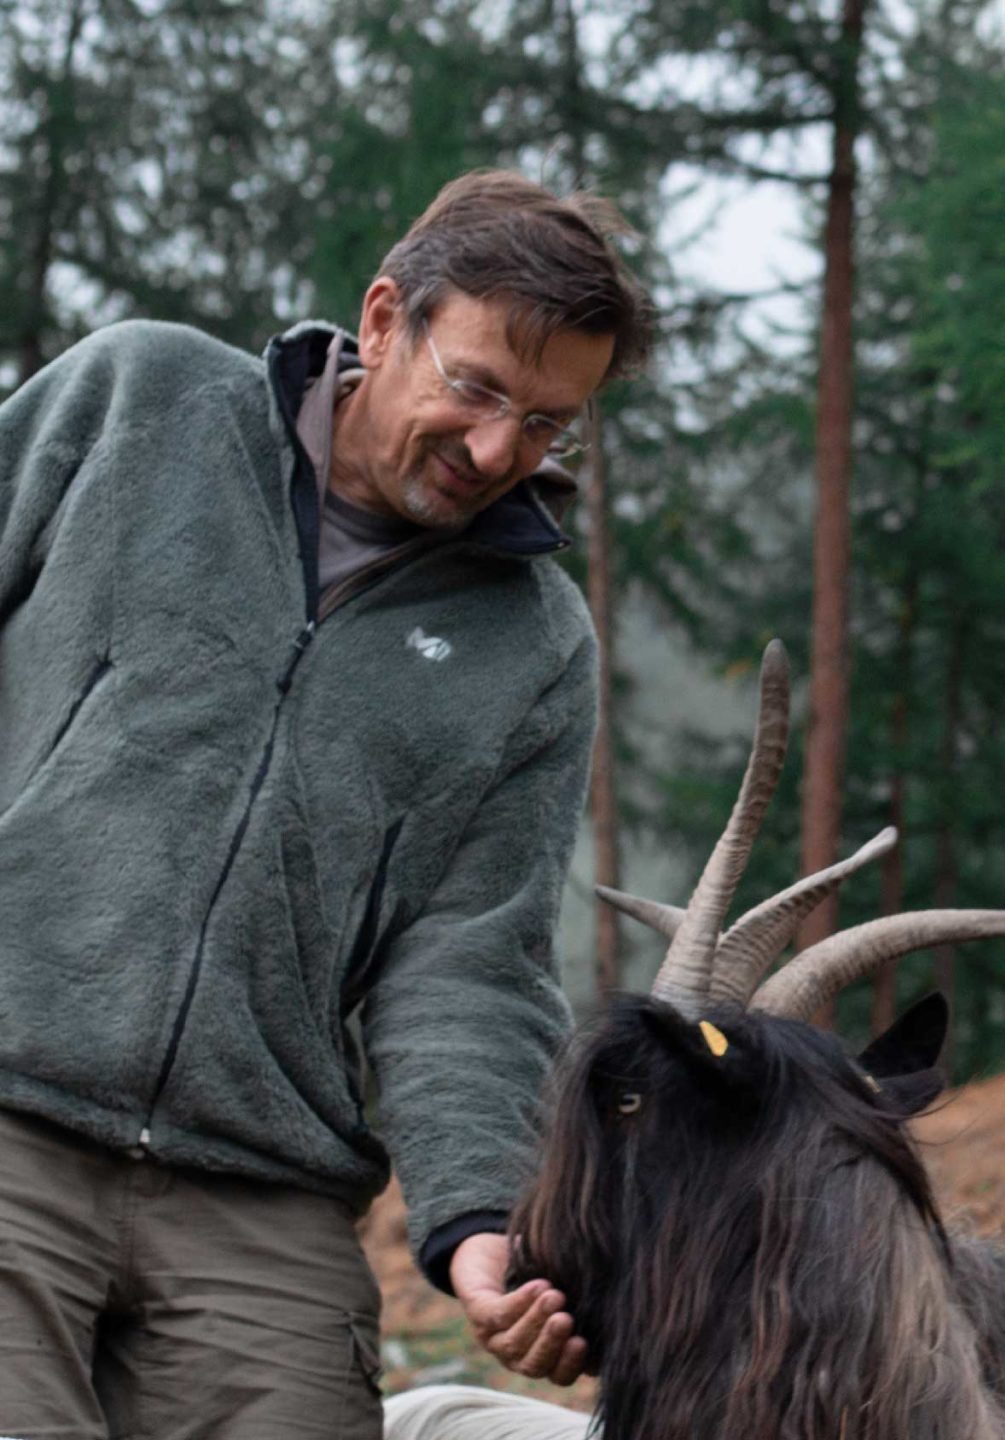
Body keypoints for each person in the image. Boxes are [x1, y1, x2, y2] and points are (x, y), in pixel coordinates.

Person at [0, 170, 648, 1435]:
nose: (497, 452)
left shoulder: (535, 645)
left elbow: (468, 962)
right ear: (387, 315)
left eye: (547, 424)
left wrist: (479, 1221)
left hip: (263, 1187)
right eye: (475, 389)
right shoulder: (136, 400)